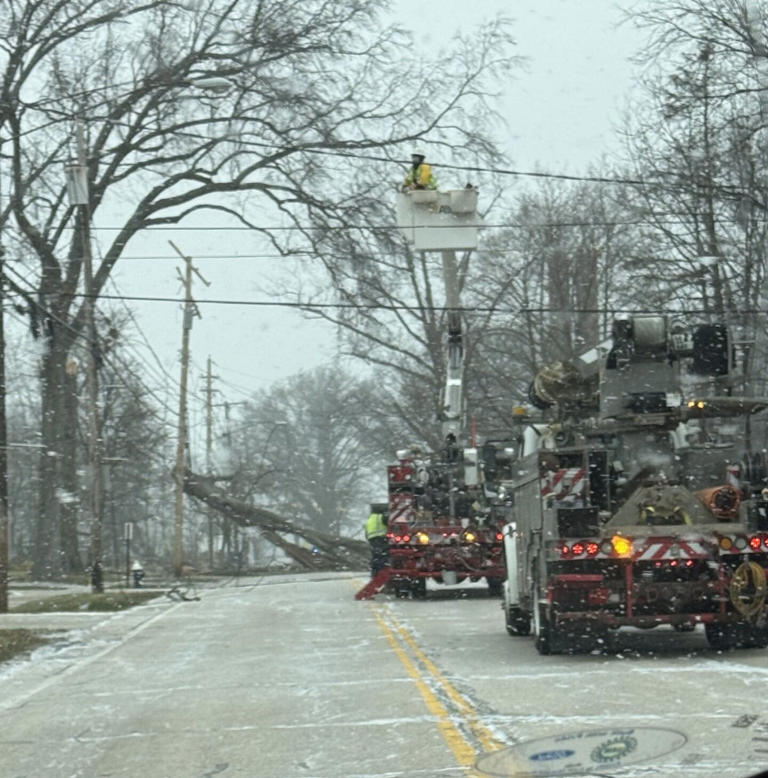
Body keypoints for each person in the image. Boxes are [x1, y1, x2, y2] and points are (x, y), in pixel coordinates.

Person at [364, 503, 389, 577]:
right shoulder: (382, 517)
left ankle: (375, 574)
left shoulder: (370, 519)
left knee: (375, 556)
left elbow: (366, 533)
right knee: (383, 556)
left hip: (372, 540)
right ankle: (383, 572)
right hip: (381, 538)